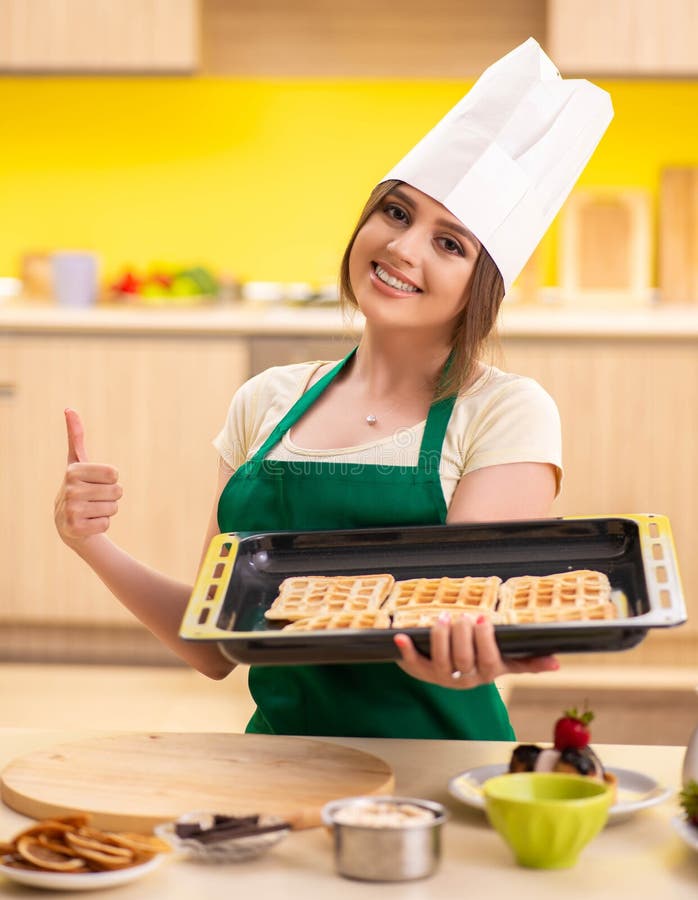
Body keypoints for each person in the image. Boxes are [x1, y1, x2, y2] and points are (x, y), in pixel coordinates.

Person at [54, 39, 613, 740]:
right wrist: (91, 542)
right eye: (397, 213)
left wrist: (468, 659)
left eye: (450, 244)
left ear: (484, 285)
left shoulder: (504, 413)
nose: (402, 248)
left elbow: (464, 634)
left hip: (436, 773)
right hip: (280, 768)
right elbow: (212, 645)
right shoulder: (265, 401)